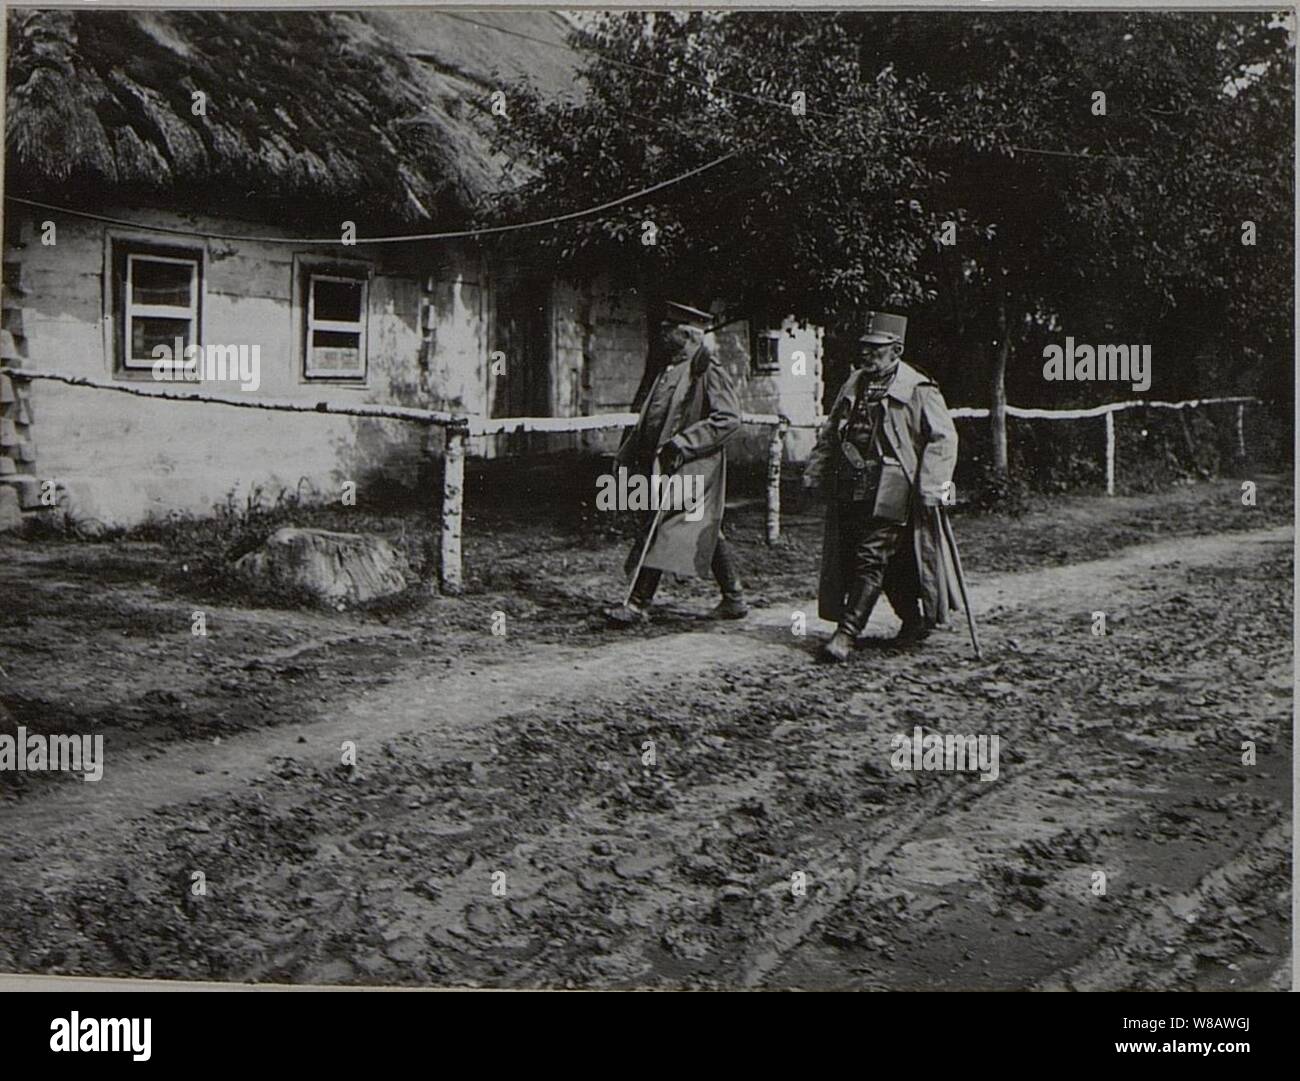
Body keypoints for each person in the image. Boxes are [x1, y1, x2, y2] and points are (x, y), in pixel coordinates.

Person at [803, 311, 960, 662]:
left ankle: (846, 635)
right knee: (885, 561)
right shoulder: (854, 384)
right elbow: (832, 432)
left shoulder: (918, 389)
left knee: (870, 557)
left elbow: (944, 437)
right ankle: (913, 621)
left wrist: (933, 484)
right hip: (851, 485)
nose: (868, 355)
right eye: (865, 348)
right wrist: (815, 469)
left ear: (897, 349)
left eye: (877, 349)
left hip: (894, 485)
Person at [605, 302, 748, 625]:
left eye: (668, 330)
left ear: (685, 334)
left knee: (664, 524)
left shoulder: (707, 370)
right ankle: (734, 597)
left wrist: (685, 442)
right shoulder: (668, 368)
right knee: (697, 526)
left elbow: (728, 419)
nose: (662, 334)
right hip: (663, 464)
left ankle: (637, 604)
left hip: (695, 464)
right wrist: (628, 454)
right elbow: (650, 420)